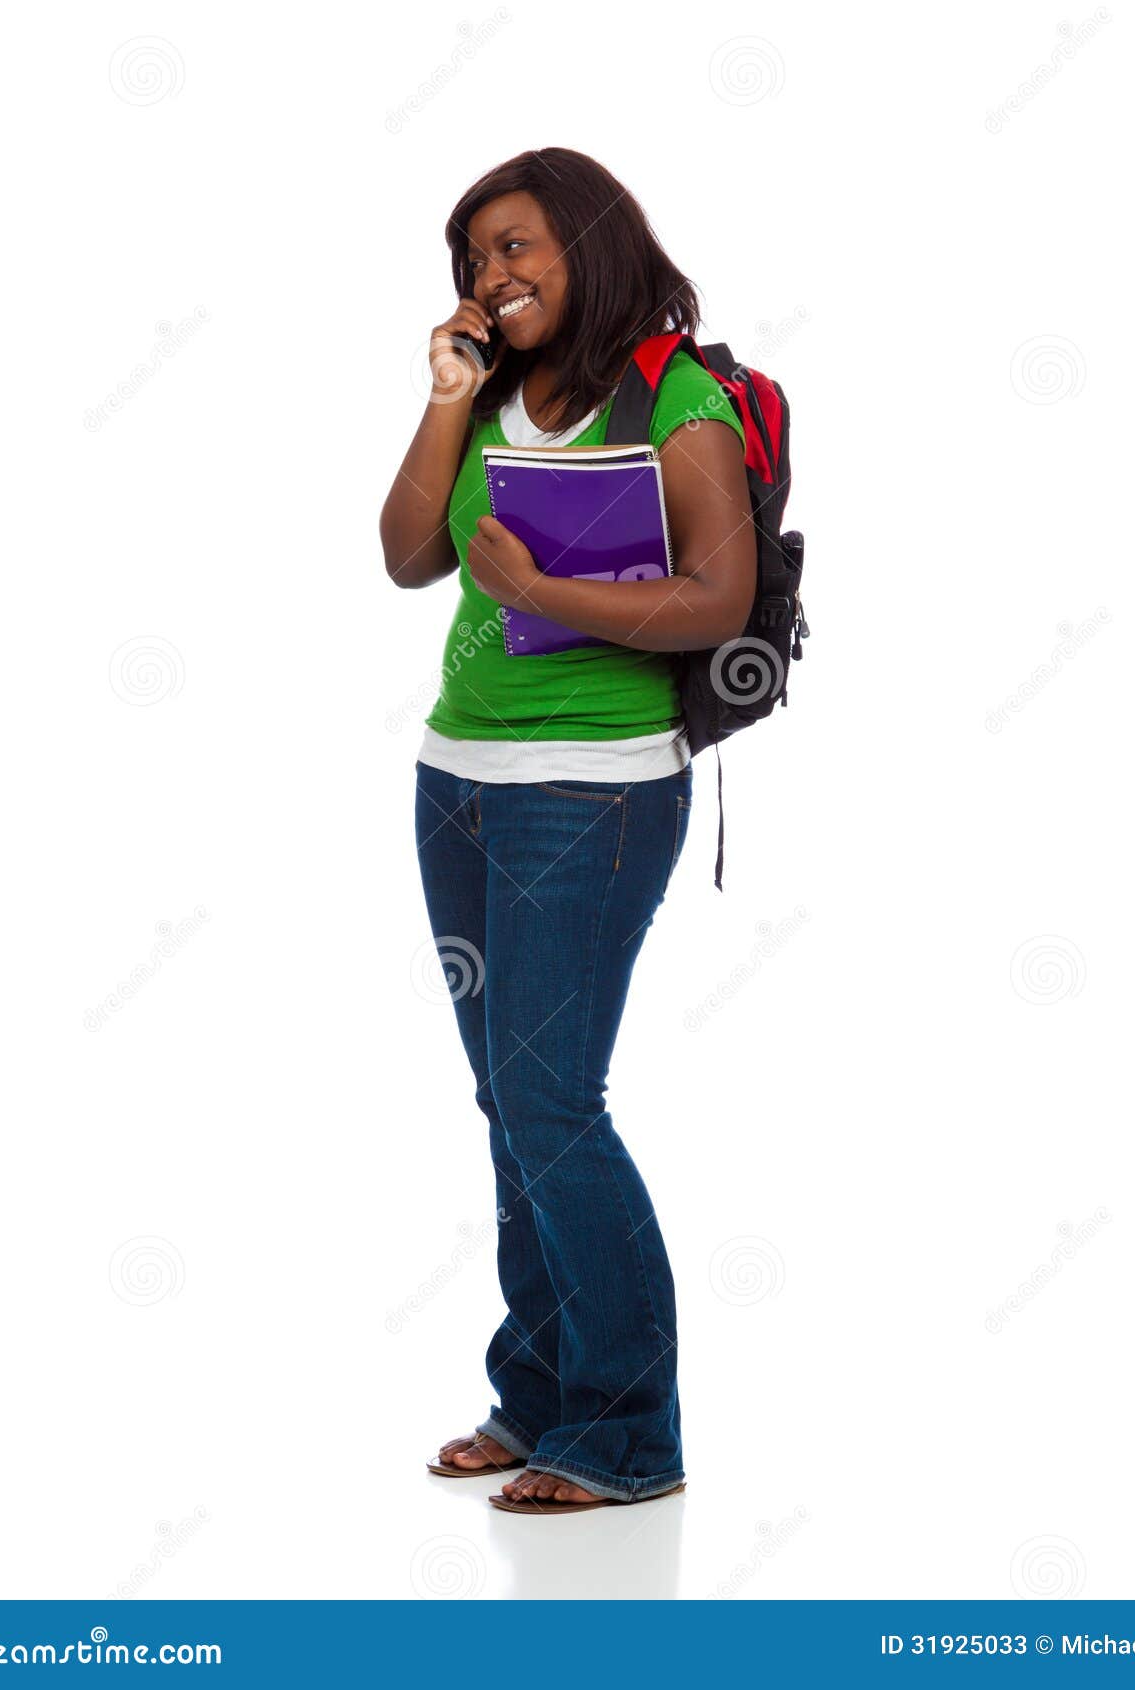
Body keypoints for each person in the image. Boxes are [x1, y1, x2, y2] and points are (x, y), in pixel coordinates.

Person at [380, 147, 754, 1513]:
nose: (493, 275)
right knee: (509, 1098)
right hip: (458, 781)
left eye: (518, 245)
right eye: (476, 255)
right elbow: (407, 555)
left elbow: (718, 599)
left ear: (587, 245)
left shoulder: (676, 398)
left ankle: (627, 1431)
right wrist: (446, 396)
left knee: (551, 1099)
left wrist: (544, 590)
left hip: (595, 793)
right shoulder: (489, 396)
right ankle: (538, 1392)